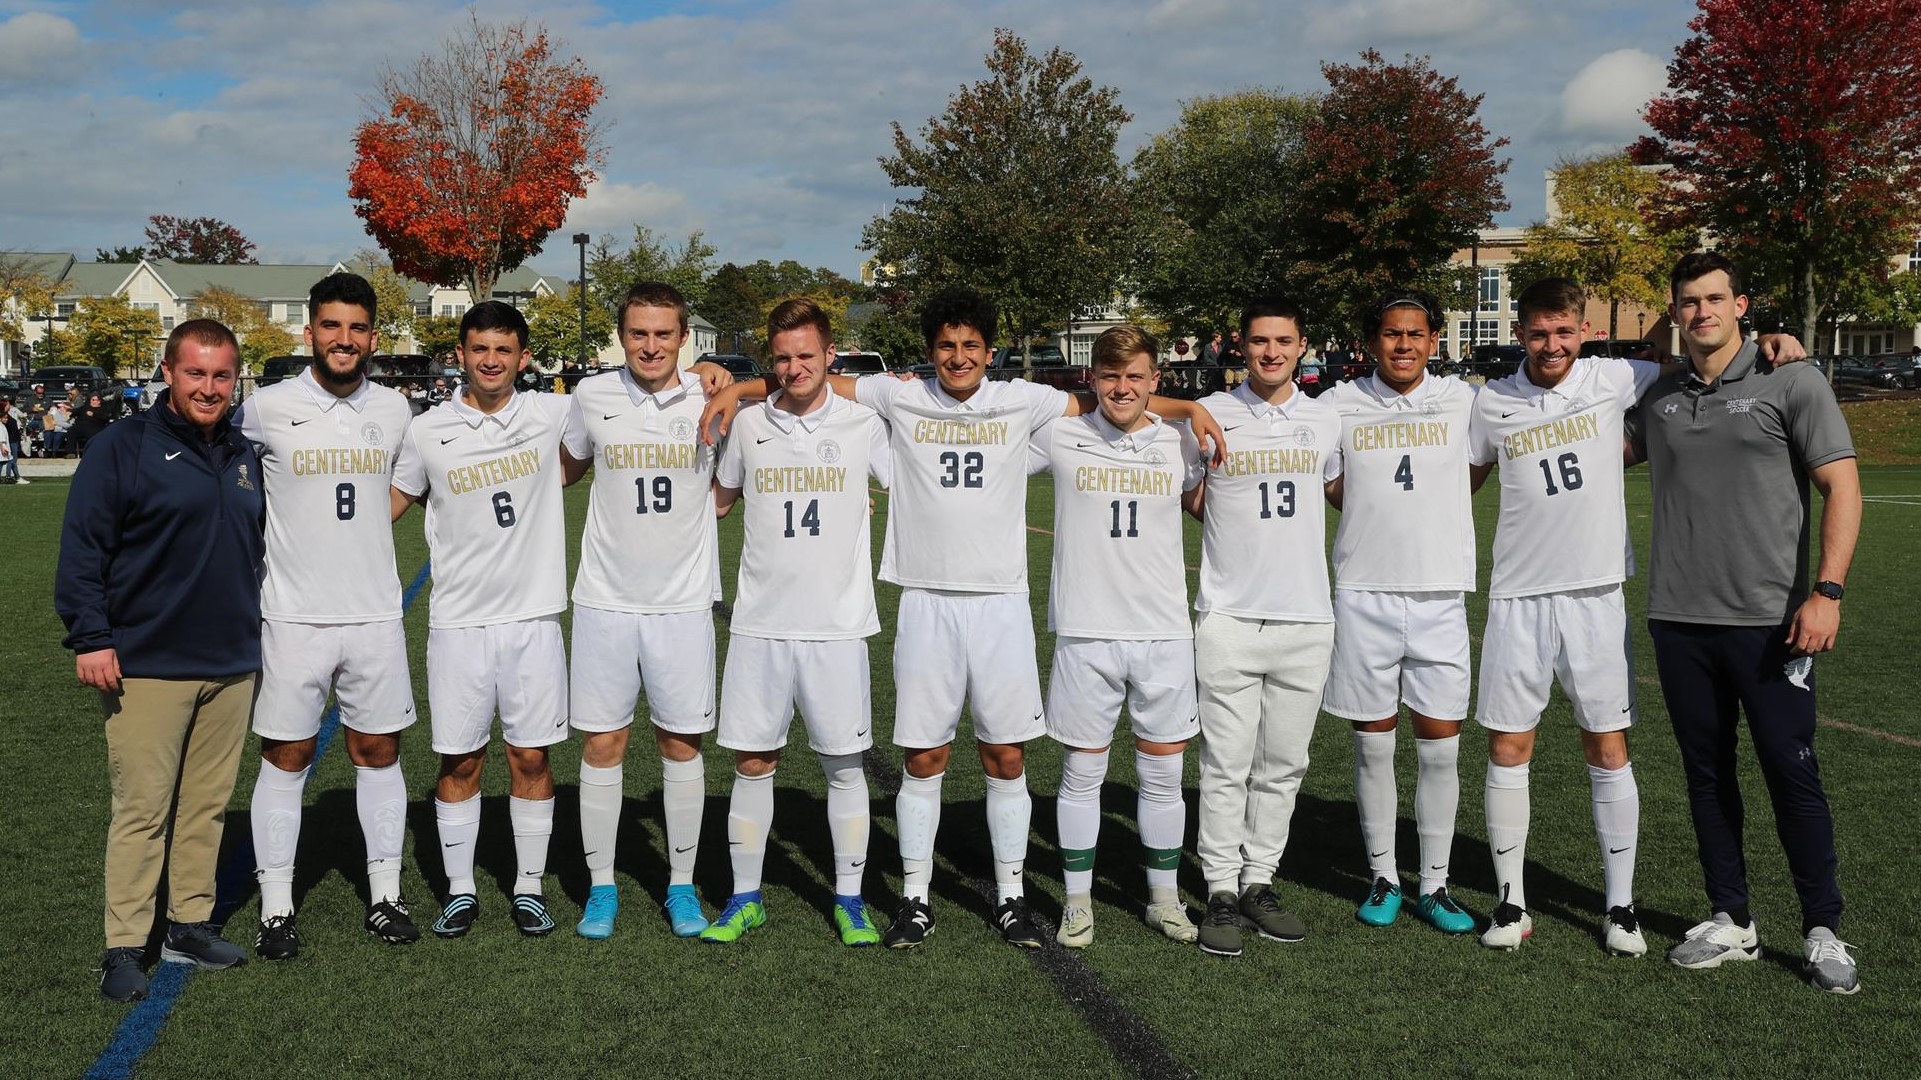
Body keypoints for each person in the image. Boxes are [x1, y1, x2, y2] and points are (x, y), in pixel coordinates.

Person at [699, 288, 1226, 950]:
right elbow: (809, 375)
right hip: (924, 600)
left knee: (1005, 754)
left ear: (988, 351)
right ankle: (915, 898)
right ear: (929, 352)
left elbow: (1108, 399)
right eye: (946, 346)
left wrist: (1189, 405)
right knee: (924, 755)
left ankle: (1010, 897)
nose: (958, 357)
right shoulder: (899, 395)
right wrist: (735, 387)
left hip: (1000, 602)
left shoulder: (1021, 399)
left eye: (971, 345)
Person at [1629, 252, 1863, 993]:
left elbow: (1841, 487)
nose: (1700, 312)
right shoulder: (1658, 398)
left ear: (1741, 304)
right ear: (1672, 313)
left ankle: (1822, 928)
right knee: (1706, 777)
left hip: (1771, 623)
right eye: (1687, 302)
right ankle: (1731, 918)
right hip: (1676, 619)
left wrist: (1825, 591)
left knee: (1791, 773)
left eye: (1713, 299)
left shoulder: (1790, 378)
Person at [56, 319, 264, 1002]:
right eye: (196, 373)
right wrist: (91, 638)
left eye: (221, 375)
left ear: (236, 379)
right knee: (142, 808)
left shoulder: (243, 452)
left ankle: (188, 924)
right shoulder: (121, 447)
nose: (209, 387)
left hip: (230, 663)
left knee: (205, 807)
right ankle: (123, 944)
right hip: (144, 663)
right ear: (168, 373)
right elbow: (83, 552)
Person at [1465, 278, 1664, 957]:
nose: (1552, 345)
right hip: (1516, 596)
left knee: (1605, 746)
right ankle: (1510, 902)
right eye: (1539, 333)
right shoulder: (1489, 402)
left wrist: (1770, 344)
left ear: (1583, 329)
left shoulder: (1613, 377)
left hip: (1594, 594)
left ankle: (1620, 908)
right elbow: (1461, 475)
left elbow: (1688, 358)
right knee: (1506, 746)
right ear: (1519, 334)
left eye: (1564, 331)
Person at [699, 298, 892, 947]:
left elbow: (912, 485)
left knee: (843, 768)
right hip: (759, 625)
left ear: (829, 355)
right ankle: (744, 897)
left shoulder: (864, 423)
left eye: (805, 355)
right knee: (753, 763)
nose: (793, 367)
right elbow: (717, 503)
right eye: (781, 357)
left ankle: (849, 899)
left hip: (837, 627)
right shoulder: (750, 424)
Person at [241, 272, 422, 960]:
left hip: (374, 613)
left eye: (356, 328)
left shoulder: (397, 410)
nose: (343, 340)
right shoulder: (266, 407)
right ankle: (277, 907)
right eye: (330, 326)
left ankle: (384, 896)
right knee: (286, 757)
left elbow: (403, 487)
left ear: (372, 336)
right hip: (291, 615)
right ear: (309, 331)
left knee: (378, 752)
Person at [391, 301, 576, 939]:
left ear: (524, 358)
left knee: (530, 756)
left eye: (503, 350)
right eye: (479, 349)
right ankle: (462, 889)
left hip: (532, 621)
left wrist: (725, 378)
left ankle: (528, 887)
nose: (491, 361)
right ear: (461, 355)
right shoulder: (427, 430)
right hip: (459, 623)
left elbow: (627, 402)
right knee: (460, 761)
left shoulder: (553, 412)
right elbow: (389, 503)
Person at [558, 282, 732, 940]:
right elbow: (562, 472)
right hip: (604, 599)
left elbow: (747, 462)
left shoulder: (712, 396)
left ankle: (680, 886)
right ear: (621, 336)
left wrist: (726, 385)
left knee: (680, 744)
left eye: (663, 334)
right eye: (638, 333)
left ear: (683, 337)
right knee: (603, 745)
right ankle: (601, 887)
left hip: (683, 604)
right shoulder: (591, 397)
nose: (650, 345)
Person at [1029, 325, 1206, 948]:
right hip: (1085, 629)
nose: (1122, 388)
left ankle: (1162, 897)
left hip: (1163, 631)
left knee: (1163, 772)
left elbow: (1206, 505)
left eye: (1136, 377)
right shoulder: (1061, 435)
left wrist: (1186, 413)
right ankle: (1078, 903)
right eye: (1110, 376)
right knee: (1083, 770)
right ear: (1092, 378)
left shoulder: (1181, 443)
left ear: (1156, 381)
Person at [1319, 289, 1479, 935]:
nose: (1403, 345)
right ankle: (1383, 875)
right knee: (1374, 745)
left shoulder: (1463, 399)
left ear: (1434, 340)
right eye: (1390, 334)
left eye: (1415, 334)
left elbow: (1479, 464)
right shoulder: (1338, 404)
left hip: (1440, 593)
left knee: (1440, 749)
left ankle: (1435, 885)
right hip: (1363, 592)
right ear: (1370, 341)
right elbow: (1327, 479)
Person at [1187, 297, 1343, 957]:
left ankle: (1259, 880)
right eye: (1258, 342)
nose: (1270, 352)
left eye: (1282, 341)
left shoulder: (1326, 418)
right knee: (1225, 762)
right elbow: (1191, 495)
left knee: (1282, 764)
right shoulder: (1209, 414)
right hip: (1227, 616)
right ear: (1239, 347)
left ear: (1302, 345)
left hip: (1307, 616)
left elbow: (1334, 491)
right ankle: (1220, 889)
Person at [1, 396, 23, 483]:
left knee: (9, 460)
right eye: (8, 404)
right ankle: (12, 476)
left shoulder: (8, 415)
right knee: (11, 460)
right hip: (10, 440)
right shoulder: (3, 417)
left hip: (13, 439)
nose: (10, 405)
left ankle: (15, 476)